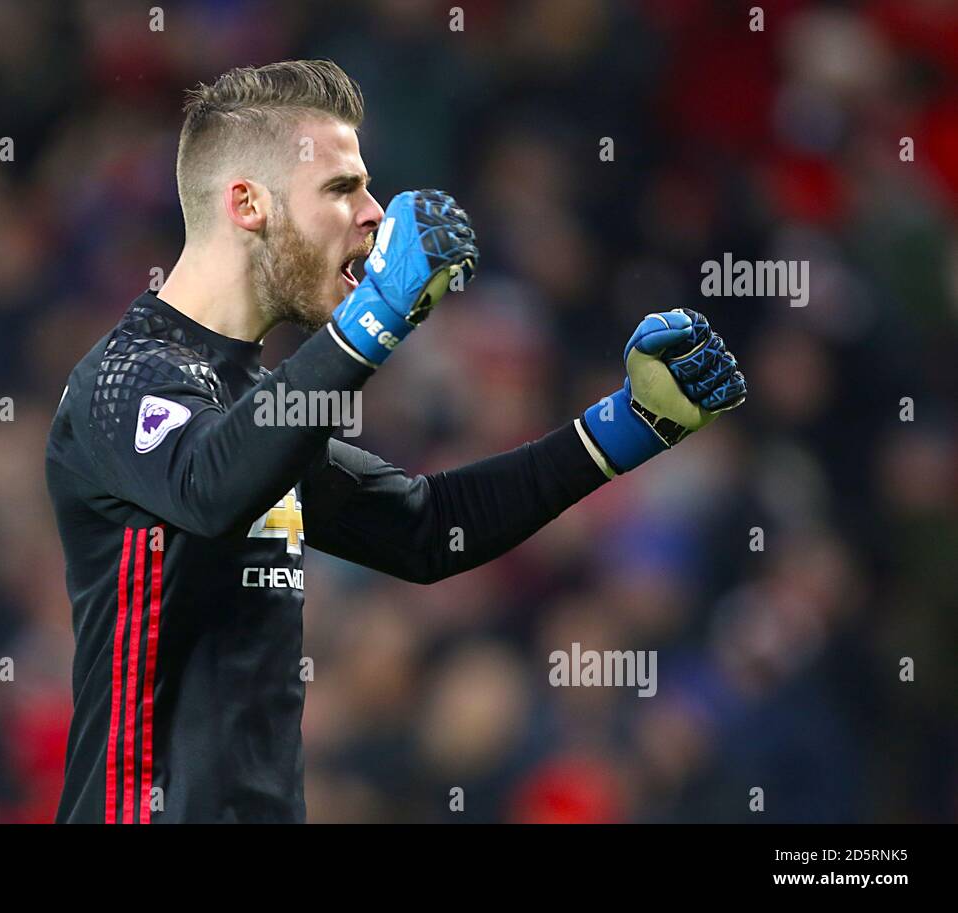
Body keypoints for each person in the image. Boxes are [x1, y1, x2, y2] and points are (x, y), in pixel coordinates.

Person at [45, 59, 746, 823]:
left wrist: (630, 425)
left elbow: (426, 530)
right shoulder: (122, 379)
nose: (374, 213)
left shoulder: (253, 402)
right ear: (247, 204)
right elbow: (210, 489)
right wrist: (375, 314)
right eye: (341, 188)